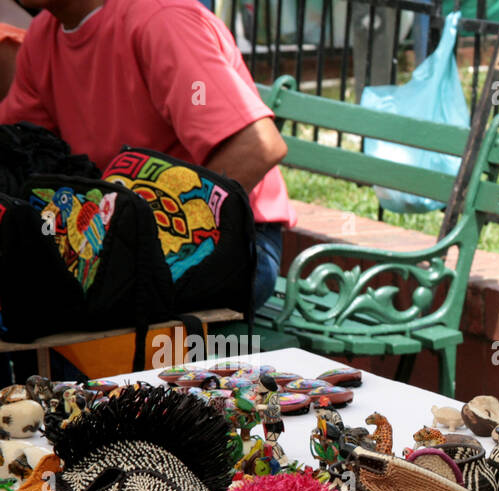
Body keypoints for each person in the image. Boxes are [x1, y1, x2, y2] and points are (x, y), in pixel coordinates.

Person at [0, 0, 293, 309]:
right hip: (107, 235)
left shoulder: (162, 21)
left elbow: (255, 148)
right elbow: (19, 152)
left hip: (229, 240)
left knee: (64, 309)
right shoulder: (43, 36)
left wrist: (136, 241)